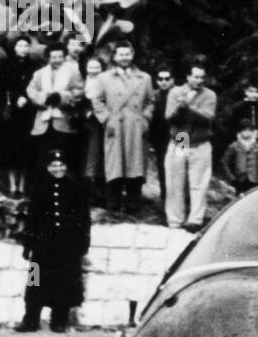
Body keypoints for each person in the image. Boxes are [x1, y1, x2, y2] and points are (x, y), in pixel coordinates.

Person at [14, 150, 91, 333]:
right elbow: (32, 217)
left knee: (63, 282)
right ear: (48, 168)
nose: (58, 168)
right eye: (54, 165)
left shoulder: (75, 188)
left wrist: (82, 243)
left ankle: (59, 320)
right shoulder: (39, 188)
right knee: (34, 281)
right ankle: (30, 320)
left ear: (67, 167)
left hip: (66, 246)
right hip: (42, 246)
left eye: (62, 165)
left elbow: (84, 220)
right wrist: (28, 244)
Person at [92, 41, 155, 213]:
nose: (124, 58)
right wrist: (106, 119)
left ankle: (134, 203)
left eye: (127, 54)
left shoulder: (144, 78)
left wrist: (145, 119)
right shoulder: (103, 78)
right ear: (114, 56)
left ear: (133, 55)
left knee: (136, 164)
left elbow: (151, 101)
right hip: (115, 125)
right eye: (121, 54)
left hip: (136, 126)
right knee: (115, 164)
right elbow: (97, 101)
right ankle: (113, 202)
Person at [165, 61, 217, 230]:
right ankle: (175, 219)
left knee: (199, 182)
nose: (199, 80)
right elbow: (169, 118)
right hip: (181, 138)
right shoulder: (175, 92)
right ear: (188, 77)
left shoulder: (209, 95)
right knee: (175, 180)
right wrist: (179, 108)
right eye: (195, 76)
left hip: (199, 140)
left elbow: (207, 118)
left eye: (202, 77)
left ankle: (195, 219)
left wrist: (188, 108)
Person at [0, 34, 39, 195]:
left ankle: (21, 186)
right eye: (20, 45)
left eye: (26, 46)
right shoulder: (5, 64)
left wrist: (27, 99)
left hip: (28, 111)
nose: (23, 49)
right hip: (9, 111)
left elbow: (36, 85)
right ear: (14, 47)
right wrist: (15, 98)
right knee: (10, 148)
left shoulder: (34, 65)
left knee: (24, 149)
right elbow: (0, 86)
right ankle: (11, 184)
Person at [27, 43, 84, 176]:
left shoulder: (73, 72)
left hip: (63, 121)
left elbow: (79, 91)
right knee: (43, 157)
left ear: (64, 57)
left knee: (63, 156)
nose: (57, 60)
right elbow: (31, 90)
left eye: (60, 57)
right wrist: (44, 98)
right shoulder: (39, 73)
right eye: (53, 57)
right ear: (48, 58)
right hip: (43, 121)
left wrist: (61, 97)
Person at [220, 119, 258, 195]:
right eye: (244, 130)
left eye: (249, 130)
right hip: (240, 181)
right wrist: (232, 179)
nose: (247, 132)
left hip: (254, 181)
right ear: (240, 131)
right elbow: (224, 162)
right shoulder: (235, 146)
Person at [149, 66, 175, 204]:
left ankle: (182, 199)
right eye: (160, 79)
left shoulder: (179, 94)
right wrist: (152, 141)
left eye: (167, 78)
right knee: (163, 168)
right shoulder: (154, 96)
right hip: (161, 139)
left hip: (180, 136)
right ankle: (165, 199)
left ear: (173, 80)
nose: (164, 82)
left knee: (180, 167)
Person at [80, 56, 106, 196]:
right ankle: (87, 188)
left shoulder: (106, 83)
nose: (94, 71)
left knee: (98, 156)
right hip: (85, 122)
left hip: (101, 122)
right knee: (87, 156)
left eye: (97, 67)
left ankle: (100, 190)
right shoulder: (82, 83)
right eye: (91, 67)